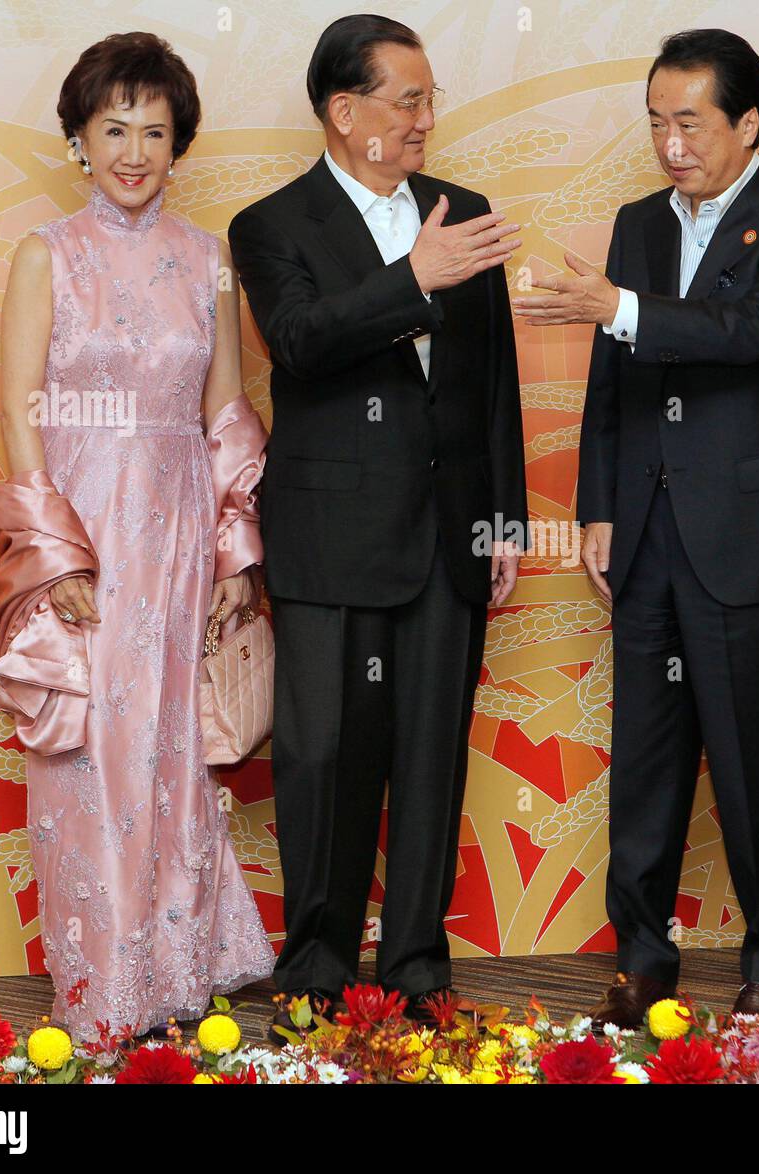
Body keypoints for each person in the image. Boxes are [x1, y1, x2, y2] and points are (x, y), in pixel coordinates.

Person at [515, 29, 759, 1026]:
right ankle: (642, 957)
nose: (670, 143)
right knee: (648, 762)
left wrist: (612, 304)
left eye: (690, 122)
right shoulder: (636, 224)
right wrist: (600, 506)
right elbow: (613, 379)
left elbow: (742, 337)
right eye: (656, 121)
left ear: (748, 123)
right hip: (649, 534)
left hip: (754, 538)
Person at [227, 14, 528, 1038]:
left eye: (430, 99)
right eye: (408, 101)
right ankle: (314, 969)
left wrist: (503, 522)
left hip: (449, 531)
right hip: (331, 538)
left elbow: (492, 387)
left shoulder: (467, 213)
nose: (425, 120)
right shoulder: (271, 225)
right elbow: (302, 344)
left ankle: (414, 967)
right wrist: (413, 281)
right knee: (320, 759)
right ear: (344, 111)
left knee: (432, 754)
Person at [0, 31, 274, 1041]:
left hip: (183, 537)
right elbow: (18, 412)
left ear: (178, 143)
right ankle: (102, 993)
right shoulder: (44, 254)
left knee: (178, 757)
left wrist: (238, 549)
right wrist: (55, 554)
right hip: (87, 540)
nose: (136, 151)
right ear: (78, 140)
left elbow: (228, 410)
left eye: (155, 130)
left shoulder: (208, 259)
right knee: (91, 763)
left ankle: (181, 976)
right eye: (115, 129)